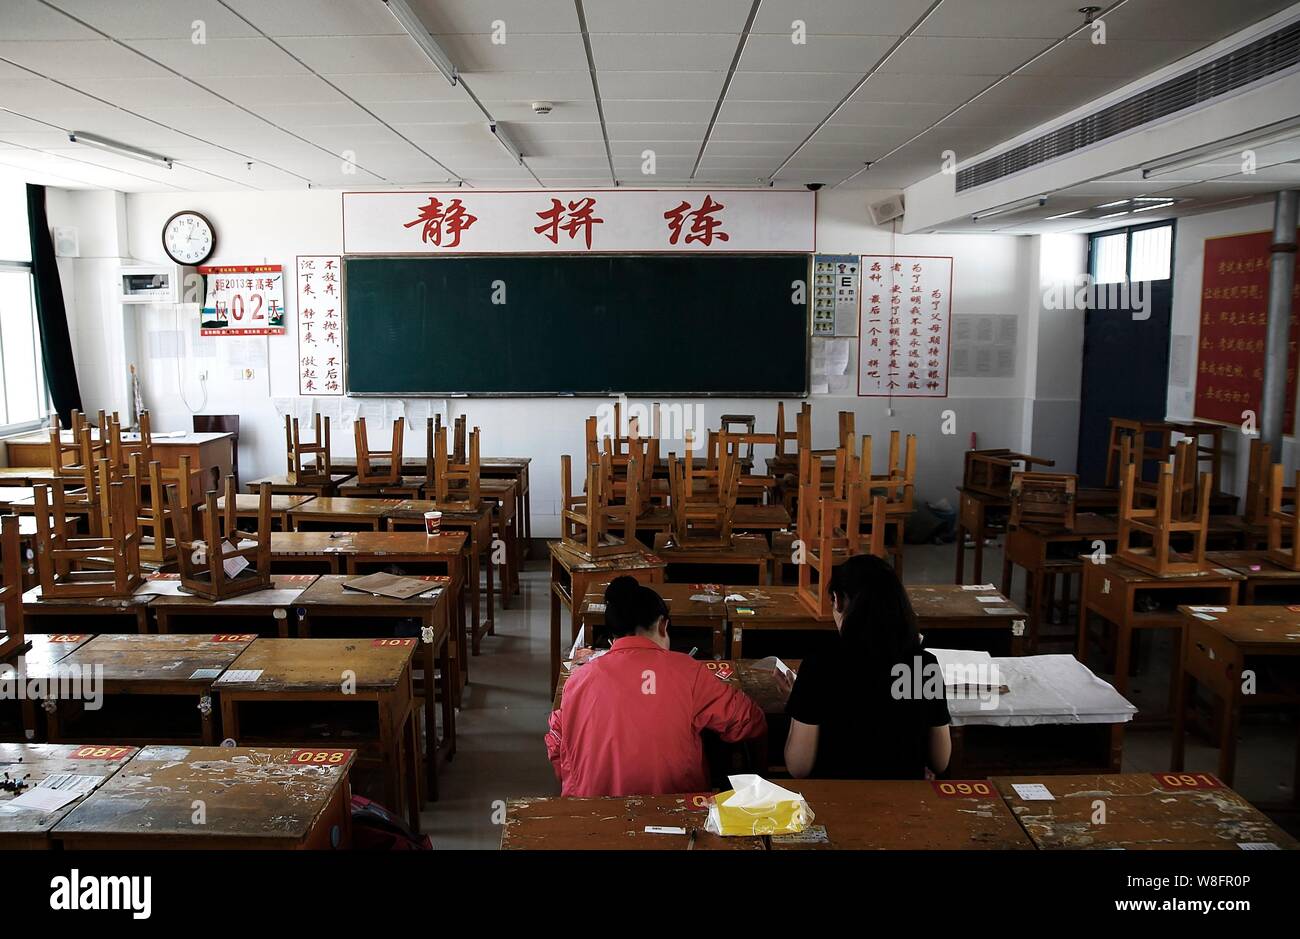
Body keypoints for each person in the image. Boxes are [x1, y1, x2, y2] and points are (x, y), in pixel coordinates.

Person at [546, 576, 767, 797]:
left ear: (613, 633)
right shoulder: (687, 671)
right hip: (675, 810)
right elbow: (748, 720)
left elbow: (558, 746)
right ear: (663, 625)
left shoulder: (578, 679)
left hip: (592, 814)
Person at [777, 554, 951, 779]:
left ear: (838, 601)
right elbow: (940, 761)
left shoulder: (819, 666)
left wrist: (799, 701)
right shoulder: (923, 666)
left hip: (836, 804)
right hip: (906, 805)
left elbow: (799, 767)